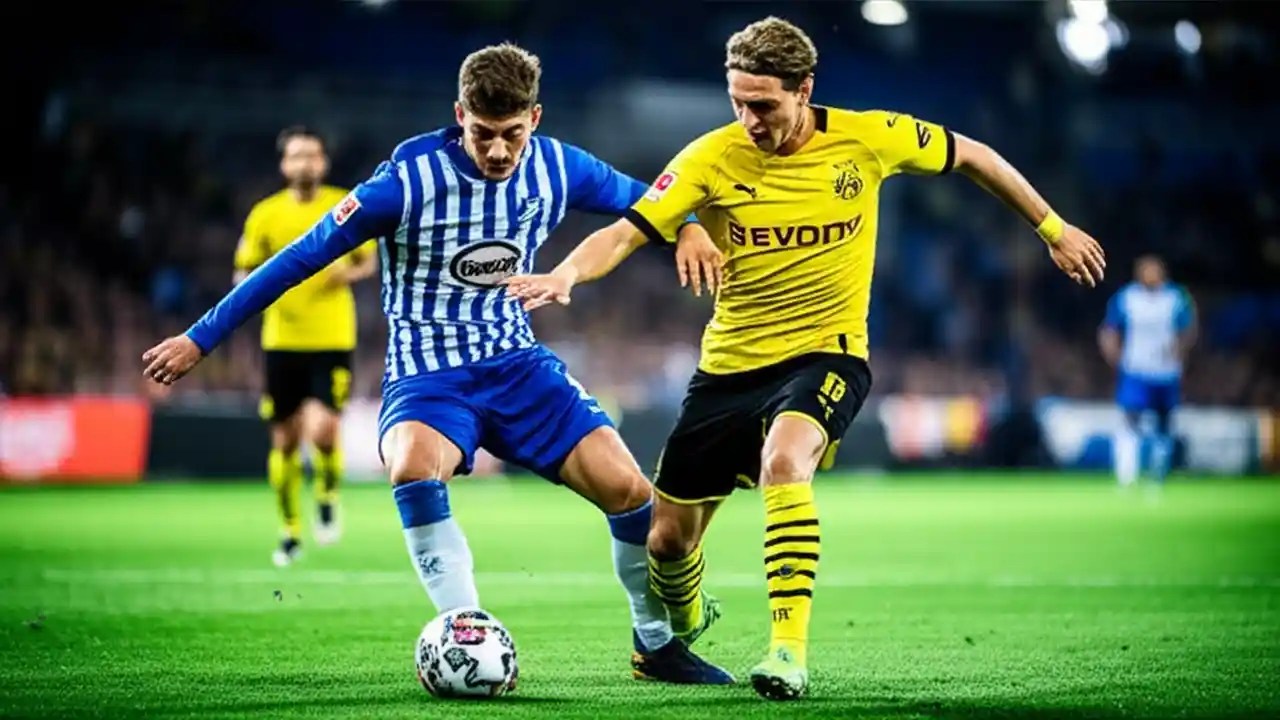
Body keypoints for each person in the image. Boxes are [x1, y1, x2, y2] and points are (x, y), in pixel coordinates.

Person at [504, 16, 1107, 700]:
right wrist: (566, 276)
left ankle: (787, 651)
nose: (748, 119)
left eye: (761, 105)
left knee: (785, 463)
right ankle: (691, 614)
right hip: (729, 369)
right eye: (737, 103)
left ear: (805, 90)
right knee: (666, 543)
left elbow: (975, 156)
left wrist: (1052, 229)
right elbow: (625, 231)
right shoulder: (711, 156)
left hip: (828, 354)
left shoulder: (870, 136)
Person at [142, 43, 731, 685]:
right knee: (413, 466)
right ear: (459, 116)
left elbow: (651, 201)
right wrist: (200, 338)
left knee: (632, 492)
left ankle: (655, 646)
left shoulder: (562, 166)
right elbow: (296, 258)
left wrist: (691, 223)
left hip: (518, 365)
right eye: (483, 135)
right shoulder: (405, 181)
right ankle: (466, 634)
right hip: (428, 375)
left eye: (511, 134)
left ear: (535, 118)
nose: (499, 151)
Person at [234, 126, 378, 566]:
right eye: (297, 156)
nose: (305, 164)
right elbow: (243, 270)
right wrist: (255, 293)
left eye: (312, 155)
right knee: (283, 441)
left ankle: (328, 493)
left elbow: (369, 260)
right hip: (282, 338)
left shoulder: (344, 204)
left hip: (332, 335)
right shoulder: (265, 215)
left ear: (324, 162)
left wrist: (344, 275)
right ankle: (290, 530)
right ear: (284, 165)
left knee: (324, 430)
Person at [1098, 255, 1195, 486]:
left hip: (1165, 371)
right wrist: (1115, 356)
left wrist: (1180, 353)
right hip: (1136, 369)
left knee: (1164, 423)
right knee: (1130, 419)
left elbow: (1188, 328)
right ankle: (1127, 476)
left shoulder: (1175, 298)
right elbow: (1109, 329)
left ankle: (1158, 475)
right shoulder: (1127, 298)